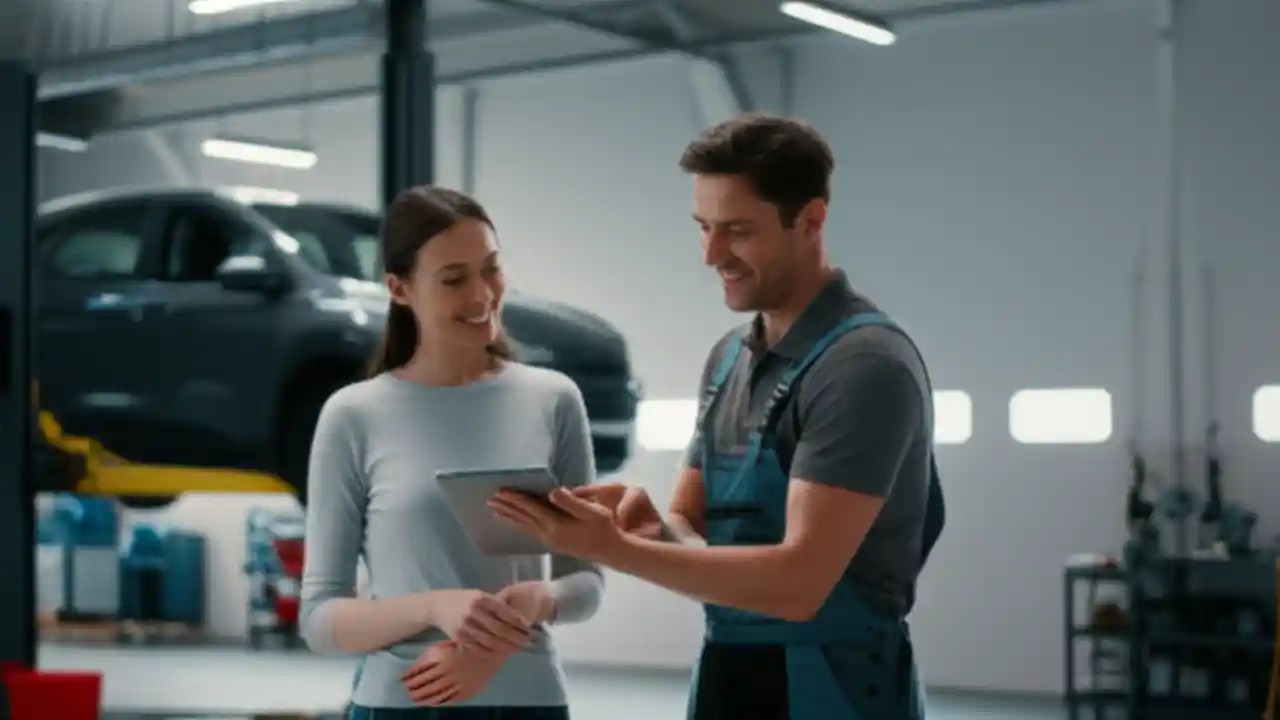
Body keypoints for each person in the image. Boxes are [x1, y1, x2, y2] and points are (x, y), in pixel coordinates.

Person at [489, 113, 945, 720]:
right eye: (703, 227)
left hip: (836, 691)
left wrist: (615, 551)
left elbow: (800, 584)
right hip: (726, 678)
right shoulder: (729, 358)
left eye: (737, 231)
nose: (710, 254)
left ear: (811, 221)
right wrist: (646, 529)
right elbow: (691, 529)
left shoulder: (863, 365)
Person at [299, 185, 605, 719]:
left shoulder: (553, 400)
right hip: (400, 705)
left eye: (491, 268)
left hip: (529, 704)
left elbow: (588, 583)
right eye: (454, 279)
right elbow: (320, 620)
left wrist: (537, 600)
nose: (483, 294)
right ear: (399, 289)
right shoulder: (353, 415)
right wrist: (434, 607)